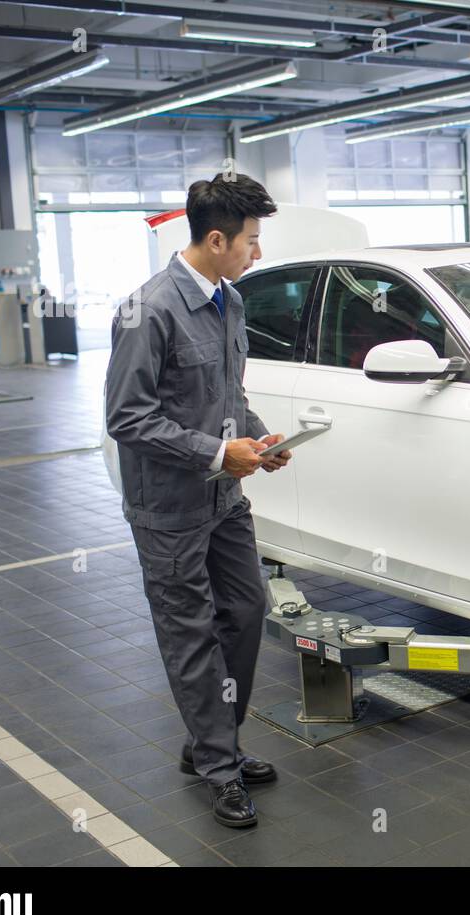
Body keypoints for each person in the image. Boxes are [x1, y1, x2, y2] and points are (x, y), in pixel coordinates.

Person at [105, 173, 292, 829]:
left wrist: (256, 439)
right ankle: (219, 763)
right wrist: (218, 455)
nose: (256, 254)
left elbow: (228, 396)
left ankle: (211, 740)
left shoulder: (229, 302)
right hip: (169, 508)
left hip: (224, 498)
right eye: (250, 241)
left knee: (245, 609)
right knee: (190, 635)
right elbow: (128, 418)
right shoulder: (147, 311)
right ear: (217, 239)